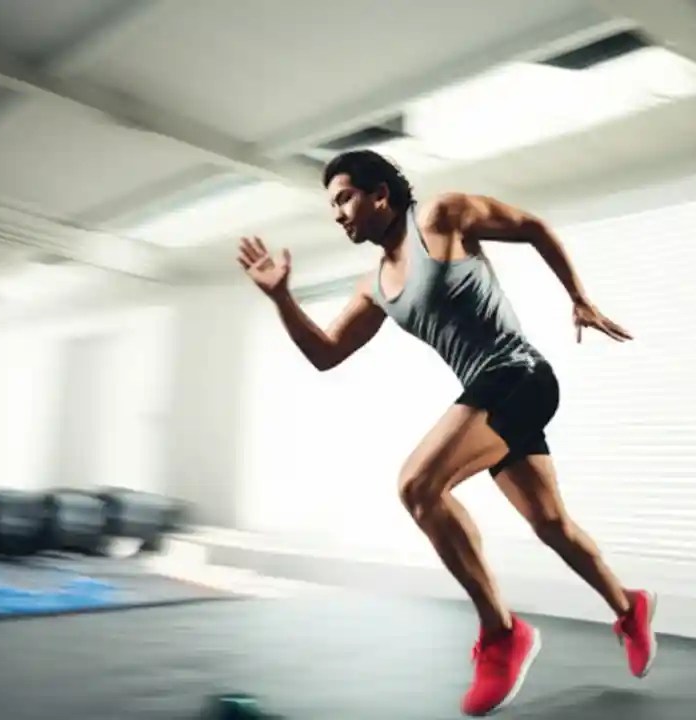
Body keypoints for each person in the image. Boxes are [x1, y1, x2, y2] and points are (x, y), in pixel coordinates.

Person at [236, 149, 657, 716]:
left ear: (379, 194)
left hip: (520, 376)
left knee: (418, 485)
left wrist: (579, 298)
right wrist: (281, 298)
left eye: (343, 198)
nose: (337, 213)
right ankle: (629, 607)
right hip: (498, 395)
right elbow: (325, 353)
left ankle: (503, 634)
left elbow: (532, 227)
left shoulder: (441, 217)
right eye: (332, 204)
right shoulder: (373, 286)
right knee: (550, 524)